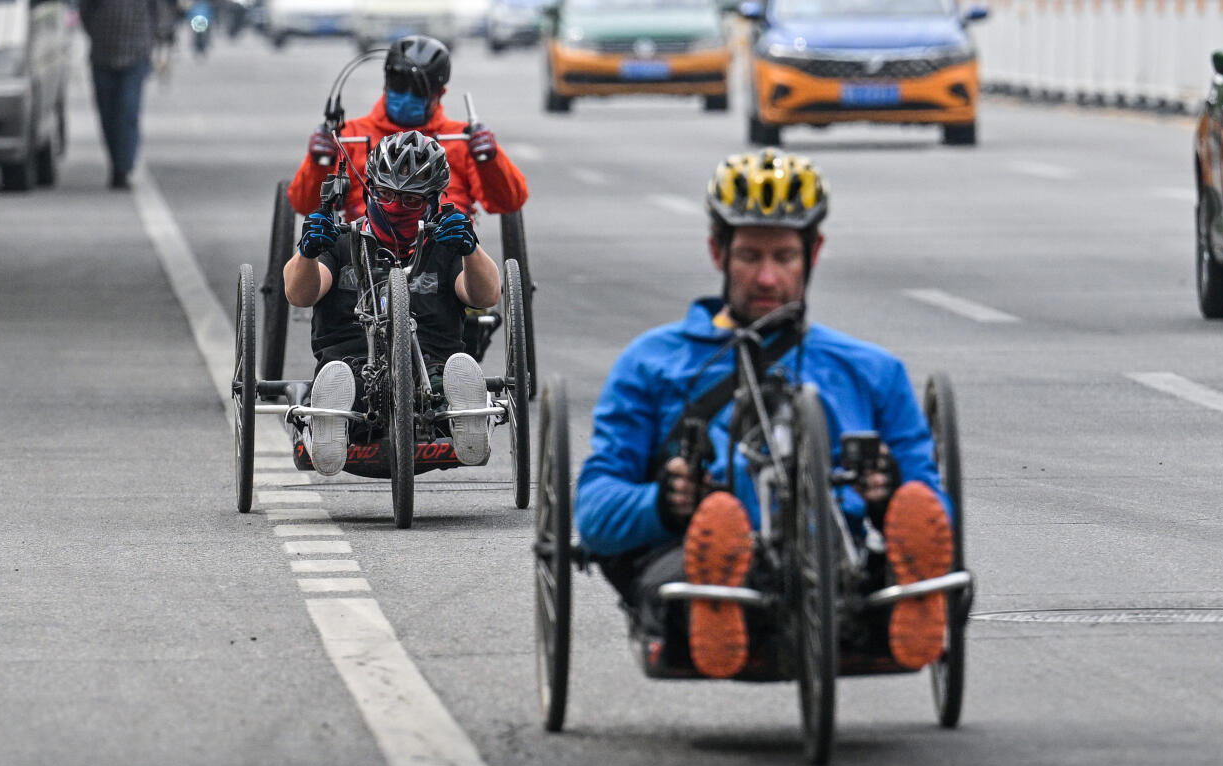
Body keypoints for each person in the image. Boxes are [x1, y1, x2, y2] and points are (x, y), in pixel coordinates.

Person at [574, 151, 956, 679]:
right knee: (693, 570)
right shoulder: (652, 362)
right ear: (718, 251)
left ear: (814, 252)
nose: (769, 278)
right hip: (696, 557)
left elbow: (936, 511)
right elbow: (593, 512)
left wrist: (889, 495)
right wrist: (663, 502)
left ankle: (907, 609)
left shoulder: (872, 371)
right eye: (750, 256)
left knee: (910, 543)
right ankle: (719, 607)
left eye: (785, 256)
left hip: (839, 570)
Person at [282, 132, 500, 475]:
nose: (396, 206)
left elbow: (485, 296)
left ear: (433, 199)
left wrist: (470, 248)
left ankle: (467, 415)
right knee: (343, 382)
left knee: (446, 382)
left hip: (431, 370)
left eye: (411, 200)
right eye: (385, 194)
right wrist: (307, 253)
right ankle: (327, 425)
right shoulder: (340, 242)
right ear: (369, 187)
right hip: (350, 368)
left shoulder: (445, 246)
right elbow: (300, 294)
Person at [290, 34, 528, 222]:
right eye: (399, 85)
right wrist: (317, 162)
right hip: (364, 245)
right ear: (386, 84)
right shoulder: (350, 136)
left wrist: (490, 160)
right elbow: (305, 205)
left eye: (417, 90)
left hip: (445, 245)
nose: (406, 95)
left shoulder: (462, 140)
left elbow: (509, 203)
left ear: (439, 94)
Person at [75, 0, 160, 190]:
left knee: (128, 111)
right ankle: (116, 163)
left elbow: (157, 13)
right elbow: (85, 12)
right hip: (103, 57)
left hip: (135, 57)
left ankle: (124, 166)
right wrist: (97, 35)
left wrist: (150, 43)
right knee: (108, 115)